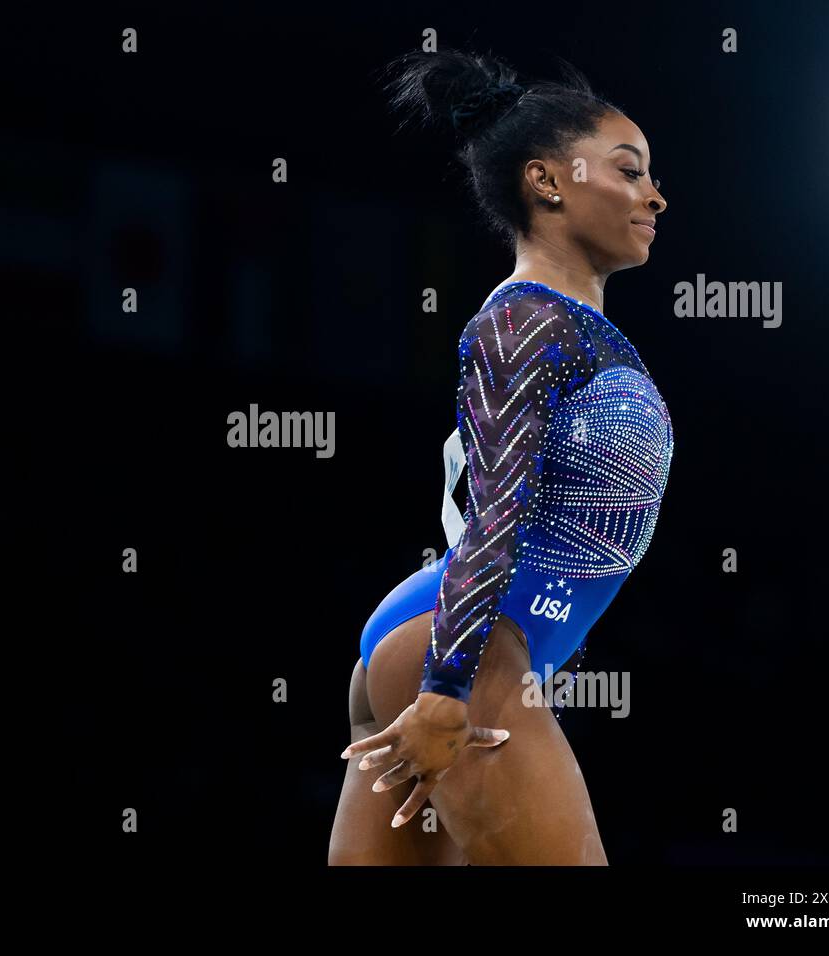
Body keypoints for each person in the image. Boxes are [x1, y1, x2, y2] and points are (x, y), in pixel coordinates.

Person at [328, 48, 673, 865]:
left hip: (467, 638)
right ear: (548, 182)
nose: (655, 195)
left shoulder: (575, 331)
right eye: (629, 171)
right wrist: (448, 687)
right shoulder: (525, 321)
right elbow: (495, 510)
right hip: (466, 645)